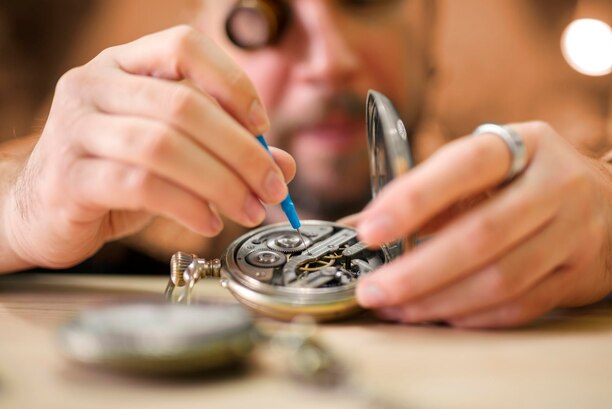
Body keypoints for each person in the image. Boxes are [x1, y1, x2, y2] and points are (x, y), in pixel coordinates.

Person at [0, 0, 609, 329]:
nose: (330, 60)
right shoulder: (110, 247)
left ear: (428, 33)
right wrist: (18, 208)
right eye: (266, 15)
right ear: (201, 41)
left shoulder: (568, 213)